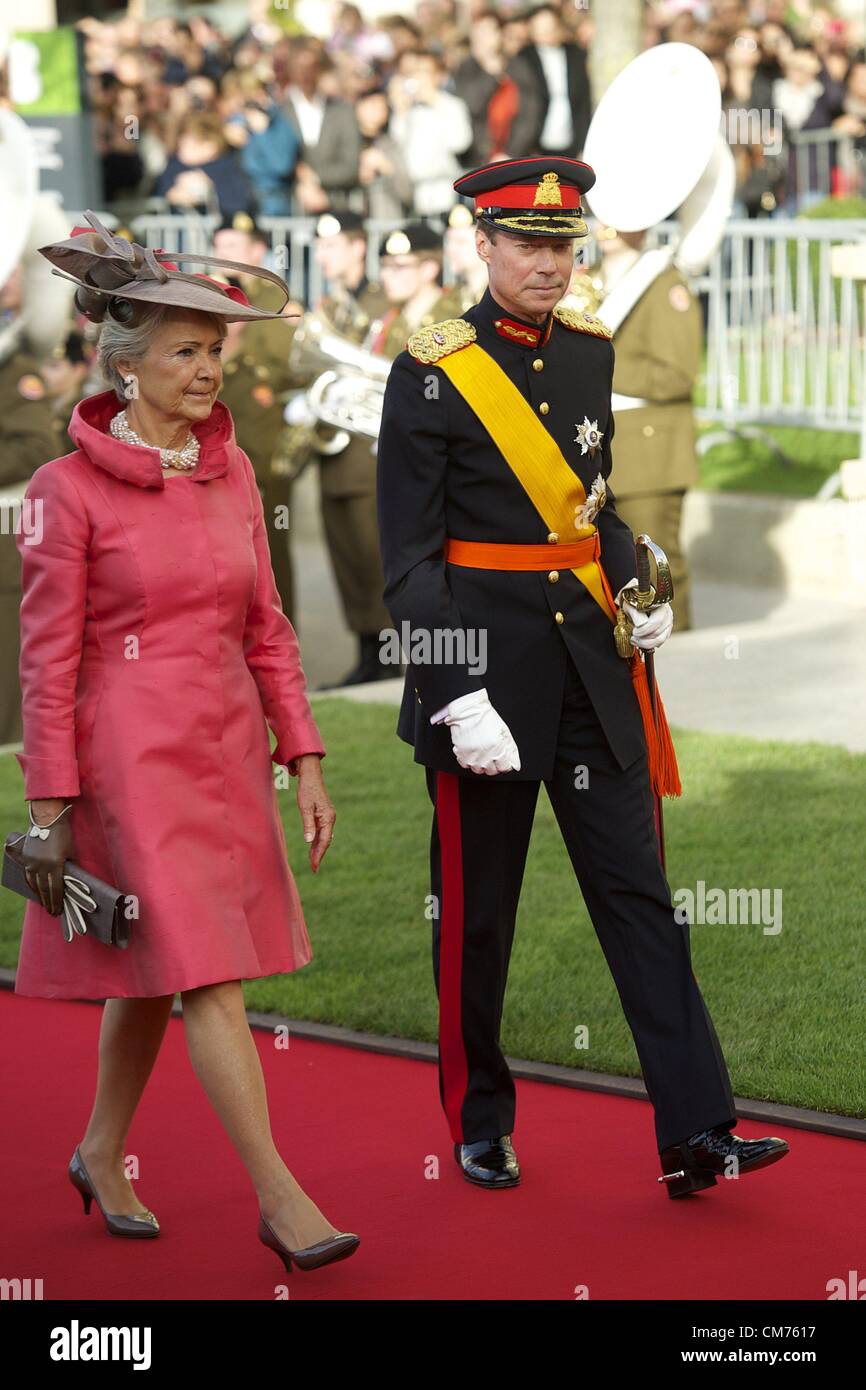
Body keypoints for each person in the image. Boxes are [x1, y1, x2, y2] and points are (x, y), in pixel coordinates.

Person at [376, 157, 790, 1198]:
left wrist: (633, 574)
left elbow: (585, 508)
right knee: (477, 916)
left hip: (586, 672)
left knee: (641, 898)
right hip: (480, 685)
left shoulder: (589, 352)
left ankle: (695, 1129)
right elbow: (409, 566)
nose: (548, 262)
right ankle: (476, 1120)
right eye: (527, 242)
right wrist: (454, 691)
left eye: (563, 244)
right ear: (481, 242)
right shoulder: (430, 367)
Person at [12, 213, 359, 1274]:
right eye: (184, 351)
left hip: (222, 748)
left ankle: (101, 1150)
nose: (209, 369)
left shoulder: (235, 474)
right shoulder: (60, 493)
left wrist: (301, 754)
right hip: (126, 761)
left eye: (215, 350)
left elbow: (265, 626)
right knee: (207, 970)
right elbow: (45, 662)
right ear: (126, 368)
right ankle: (280, 1196)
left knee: (158, 972)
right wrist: (52, 803)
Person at [212, 212, 301, 627]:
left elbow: (286, 366)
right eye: (221, 246)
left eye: (234, 246)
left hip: (264, 434)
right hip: (218, 428)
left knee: (271, 553)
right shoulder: (209, 293)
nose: (224, 255)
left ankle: (283, 639)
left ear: (257, 252)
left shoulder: (277, 301)